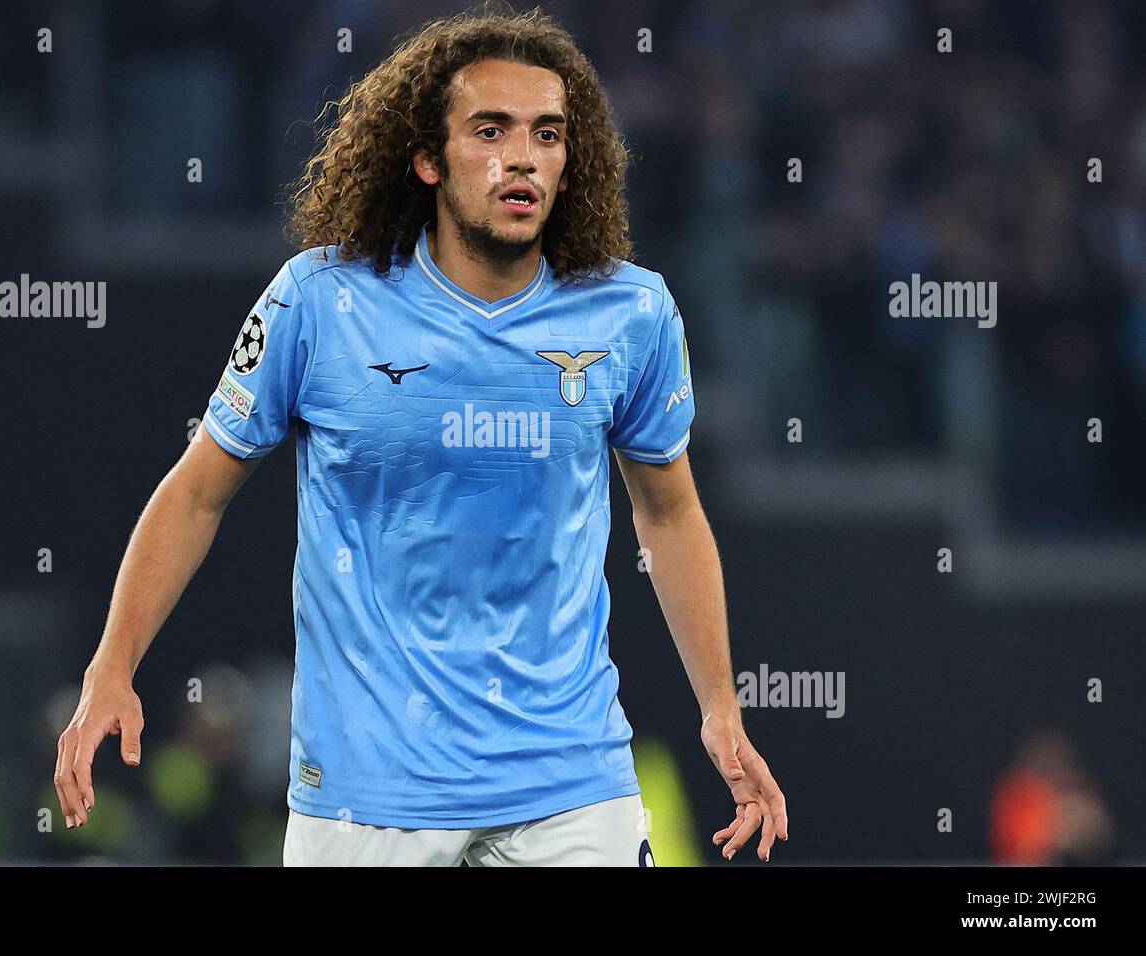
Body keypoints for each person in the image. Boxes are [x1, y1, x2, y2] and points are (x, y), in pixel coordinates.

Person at [54, 8, 788, 867]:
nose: (522, 157)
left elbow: (668, 516)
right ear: (428, 159)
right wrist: (113, 664)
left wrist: (719, 705)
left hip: (569, 777)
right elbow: (197, 491)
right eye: (491, 130)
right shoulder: (317, 303)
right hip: (367, 792)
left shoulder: (631, 312)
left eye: (548, 135)